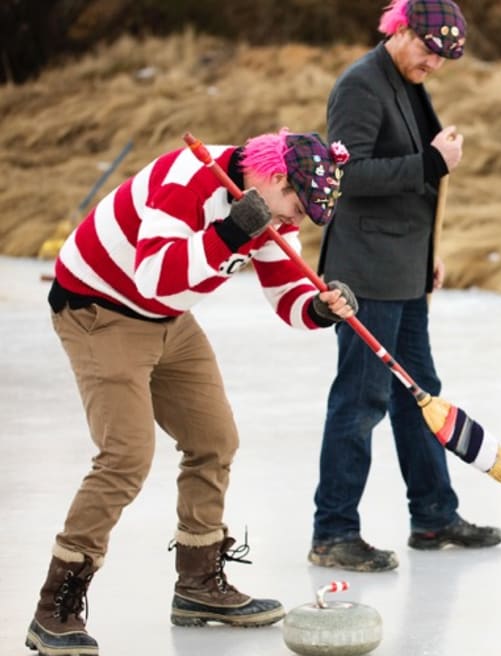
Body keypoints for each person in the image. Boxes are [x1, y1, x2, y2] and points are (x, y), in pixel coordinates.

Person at [27, 128, 357, 655]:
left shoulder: (271, 211)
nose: (294, 222)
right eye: (297, 206)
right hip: (99, 309)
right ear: (276, 178)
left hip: (167, 317)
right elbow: (155, 276)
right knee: (126, 457)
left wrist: (318, 307)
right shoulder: (190, 182)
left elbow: (287, 292)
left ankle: (198, 585)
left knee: (214, 440)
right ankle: (55, 607)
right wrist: (229, 233)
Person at [310, 0, 500, 573]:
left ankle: (434, 515)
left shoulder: (407, 82)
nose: (433, 63)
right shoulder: (361, 85)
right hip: (366, 273)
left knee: (421, 394)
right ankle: (334, 532)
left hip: (404, 267)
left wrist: (425, 255)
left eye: (443, 57)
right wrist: (431, 163)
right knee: (360, 400)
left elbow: (411, 175)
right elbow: (346, 176)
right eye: (427, 48)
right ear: (400, 30)